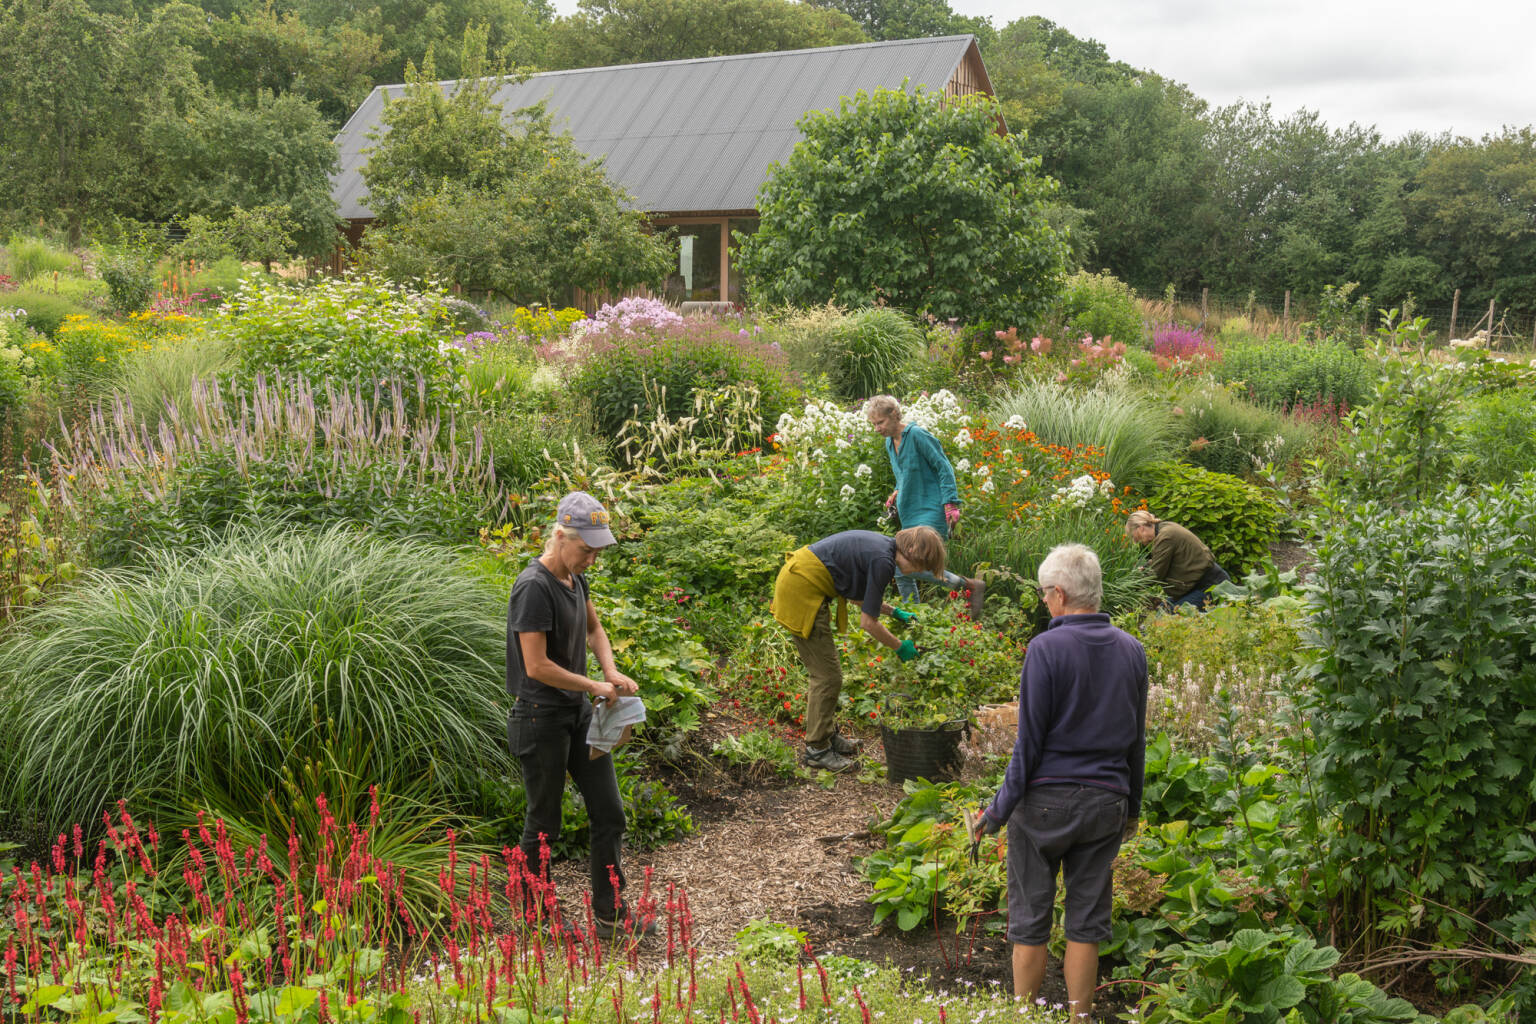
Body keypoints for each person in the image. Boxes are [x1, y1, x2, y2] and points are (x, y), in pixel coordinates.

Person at [973, 544, 1147, 1021]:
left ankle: (1024, 1016)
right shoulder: (1132, 650)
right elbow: (1137, 741)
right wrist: (1132, 808)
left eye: (1044, 593)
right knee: (1086, 925)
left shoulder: (1045, 649)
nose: (1044, 602)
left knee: (1030, 921)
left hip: (1044, 806)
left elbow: (1027, 746)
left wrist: (995, 813)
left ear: (1060, 594)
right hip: (1106, 804)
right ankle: (1078, 1017)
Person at [506, 491, 652, 940]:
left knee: (609, 812)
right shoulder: (534, 587)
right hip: (539, 718)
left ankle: (609, 914)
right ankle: (537, 919)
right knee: (544, 822)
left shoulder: (575, 579)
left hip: (577, 715)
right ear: (559, 536)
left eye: (597, 550)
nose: (592, 558)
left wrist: (610, 670)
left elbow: (594, 628)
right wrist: (593, 685)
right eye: (586, 549)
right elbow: (537, 666)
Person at [771, 526, 948, 772]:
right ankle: (817, 750)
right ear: (913, 551)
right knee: (827, 676)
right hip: (802, 590)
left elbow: (857, 598)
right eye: (923, 565)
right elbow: (867, 623)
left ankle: (827, 736)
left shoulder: (881, 549)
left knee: (828, 673)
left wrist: (894, 612)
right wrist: (899, 646)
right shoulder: (883, 561)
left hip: (799, 580)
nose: (920, 572)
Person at [866, 395, 985, 618]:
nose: (876, 428)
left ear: (894, 415)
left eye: (880, 422)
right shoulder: (889, 442)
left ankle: (967, 586)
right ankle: (914, 619)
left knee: (908, 564)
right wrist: (897, 490)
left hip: (931, 509)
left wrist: (951, 502)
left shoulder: (917, 435)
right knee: (901, 568)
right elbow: (904, 472)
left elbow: (943, 467)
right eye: (873, 424)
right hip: (910, 512)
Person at [1125, 510, 1230, 610]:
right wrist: (1145, 568)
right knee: (1162, 609)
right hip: (1198, 584)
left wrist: (1129, 587)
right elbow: (1161, 559)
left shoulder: (1166, 536)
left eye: (1134, 536)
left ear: (1141, 528)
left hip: (1211, 586)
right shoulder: (1165, 528)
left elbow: (1155, 575)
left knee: (1165, 617)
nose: (1135, 541)